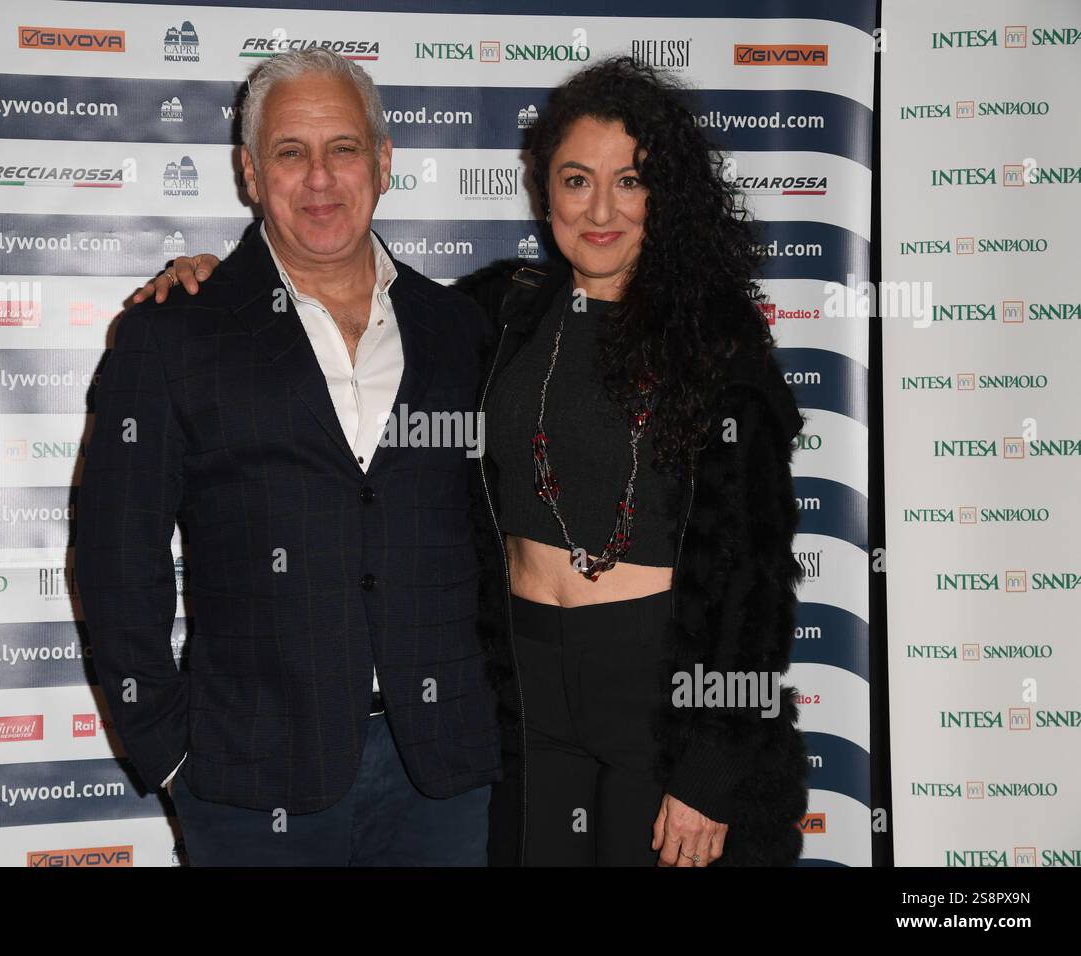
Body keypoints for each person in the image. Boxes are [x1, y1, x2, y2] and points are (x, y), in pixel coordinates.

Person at [137, 56, 809, 866]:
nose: (601, 209)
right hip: (521, 704)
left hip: (659, 691)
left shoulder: (721, 344)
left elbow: (756, 574)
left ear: (666, 195)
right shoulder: (498, 315)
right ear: (544, 191)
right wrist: (211, 278)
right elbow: (325, 302)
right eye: (575, 180)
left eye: (630, 181)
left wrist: (711, 768)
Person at [76, 48, 501, 867]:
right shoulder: (176, 333)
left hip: (446, 776)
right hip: (246, 780)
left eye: (343, 149)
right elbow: (114, 558)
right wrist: (171, 753)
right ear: (248, 172)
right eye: (289, 152)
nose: (319, 179)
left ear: (383, 163)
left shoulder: (464, 330)